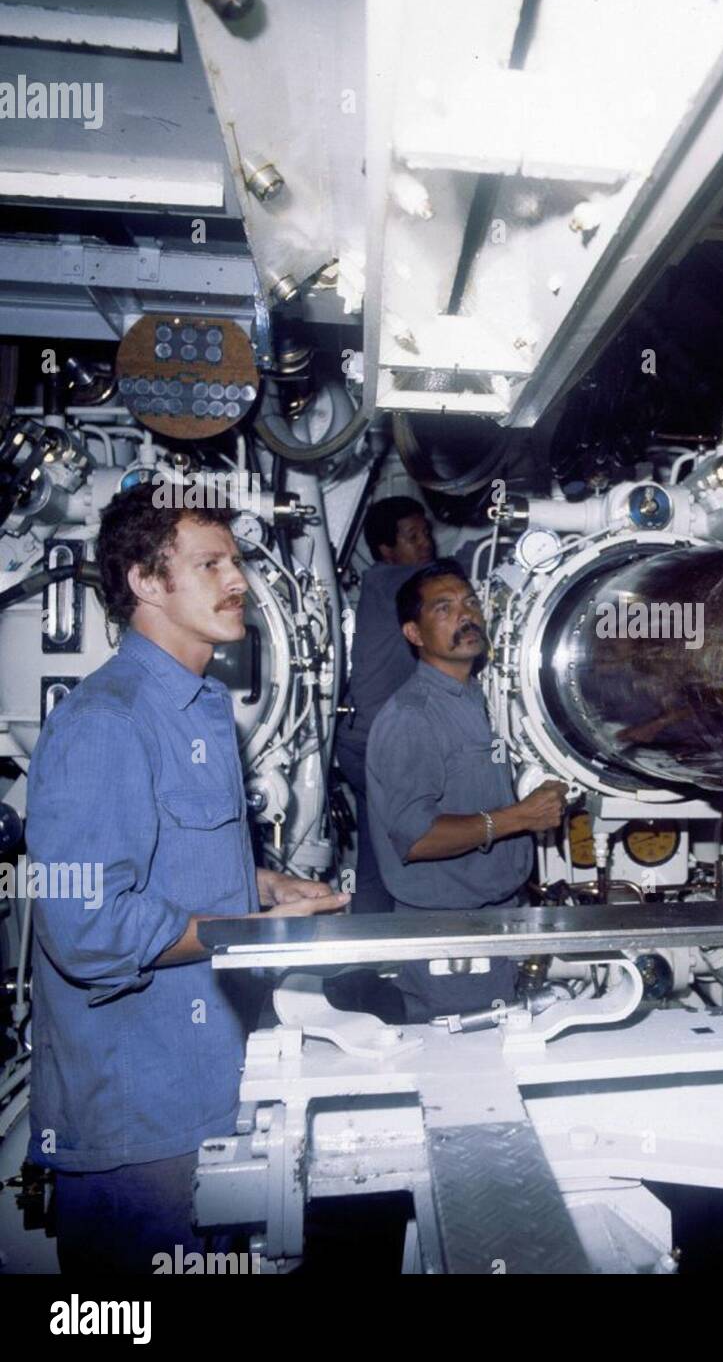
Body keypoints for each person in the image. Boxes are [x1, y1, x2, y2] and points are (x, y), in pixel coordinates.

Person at [24, 481, 347, 1274]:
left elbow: (172, 856)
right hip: (141, 1128)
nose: (237, 581)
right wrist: (245, 930)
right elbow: (87, 927)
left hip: (215, 1090)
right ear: (145, 581)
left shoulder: (200, 706)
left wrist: (262, 886)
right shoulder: (106, 721)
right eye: (209, 564)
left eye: (234, 561)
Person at [365, 563, 567, 1021]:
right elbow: (416, 838)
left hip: (506, 914)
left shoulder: (489, 698)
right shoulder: (410, 717)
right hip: (448, 928)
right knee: (465, 1067)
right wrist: (521, 817)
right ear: (414, 633)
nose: (466, 616)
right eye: (445, 608)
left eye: (470, 603)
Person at [335, 496, 435, 914]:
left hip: (363, 739)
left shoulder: (382, 584)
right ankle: (373, 956)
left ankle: (363, 959)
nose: (426, 543)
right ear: (386, 552)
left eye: (426, 532)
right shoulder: (401, 583)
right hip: (378, 745)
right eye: (412, 537)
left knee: (378, 855)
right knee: (406, 852)